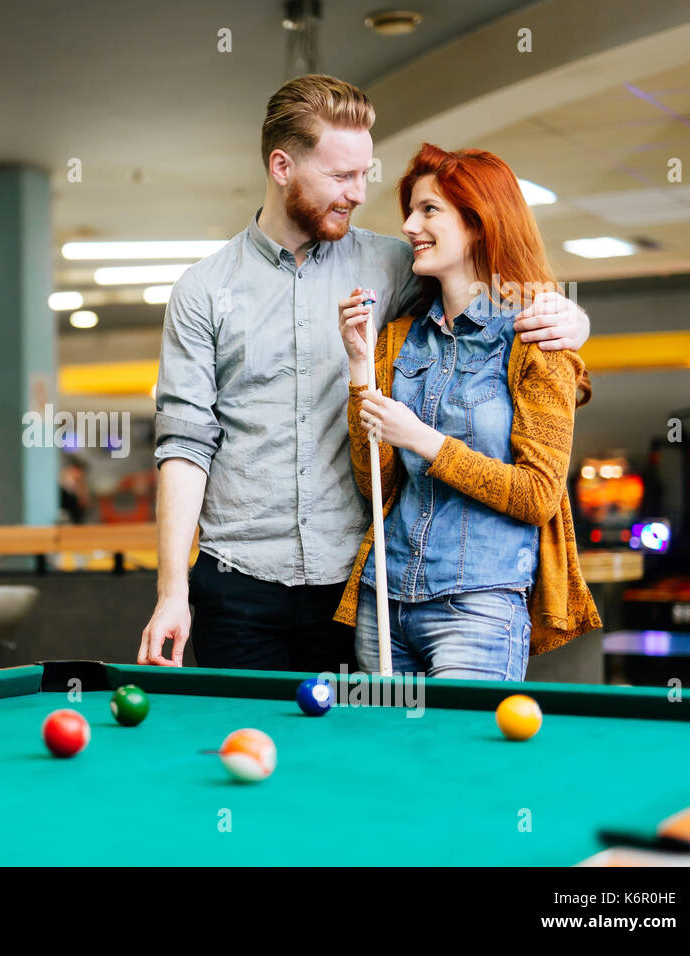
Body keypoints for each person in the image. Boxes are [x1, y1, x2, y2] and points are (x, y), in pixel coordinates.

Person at [138, 74, 591, 672]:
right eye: (340, 176)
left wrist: (573, 323)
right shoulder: (204, 291)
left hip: (351, 588)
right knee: (244, 754)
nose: (358, 192)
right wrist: (173, 592)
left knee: (351, 760)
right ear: (281, 166)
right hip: (236, 582)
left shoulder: (395, 263)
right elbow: (185, 447)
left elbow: (489, 300)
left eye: (364, 174)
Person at [333, 142, 602, 679]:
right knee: (382, 765)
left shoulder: (535, 339)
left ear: (478, 222)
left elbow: (538, 496)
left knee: (458, 763)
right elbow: (376, 486)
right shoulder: (397, 339)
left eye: (429, 209)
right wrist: (361, 370)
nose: (410, 225)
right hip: (384, 602)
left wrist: (423, 439)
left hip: (477, 607)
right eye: (410, 210)